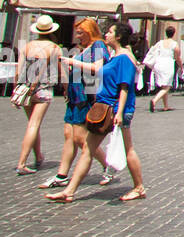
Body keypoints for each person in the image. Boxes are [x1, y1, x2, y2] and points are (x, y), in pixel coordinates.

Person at [48, 21, 145, 203]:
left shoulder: (124, 57)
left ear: (118, 37)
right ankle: (69, 191)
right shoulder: (115, 56)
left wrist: (119, 112)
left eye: (109, 32)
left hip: (116, 109)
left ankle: (139, 187)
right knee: (87, 150)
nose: (106, 35)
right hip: (102, 107)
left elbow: (124, 87)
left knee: (128, 148)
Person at [39, 19, 111, 191]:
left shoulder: (98, 45)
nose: (77, 35)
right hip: (74, 95)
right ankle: (61, 175)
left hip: (86, 96)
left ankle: (108, 165)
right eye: (77, 32)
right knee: (69, 135)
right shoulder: (83, 48)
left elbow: (98, 68)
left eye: (80, 32)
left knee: (81, 138)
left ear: (89, 31)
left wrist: (71, 62)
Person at [15, 14, 61, 173]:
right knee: (34, 124)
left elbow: (18, 70)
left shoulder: (27, 46)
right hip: (43, 88)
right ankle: (22, 163)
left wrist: (17, 89)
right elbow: (61, 70)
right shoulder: (54, 48)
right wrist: (67, 88)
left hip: (27, 89)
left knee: (32, 124)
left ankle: (38, 156)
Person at [145, 26, 182, 113]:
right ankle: (155, 100)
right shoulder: (174, 44)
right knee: (167, 86)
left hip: (158, 64)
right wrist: (181, 66)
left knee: (163, 86)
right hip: (168, 64)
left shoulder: (160, 43)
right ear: (174, 33)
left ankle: (166, 106)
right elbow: (177, 57)